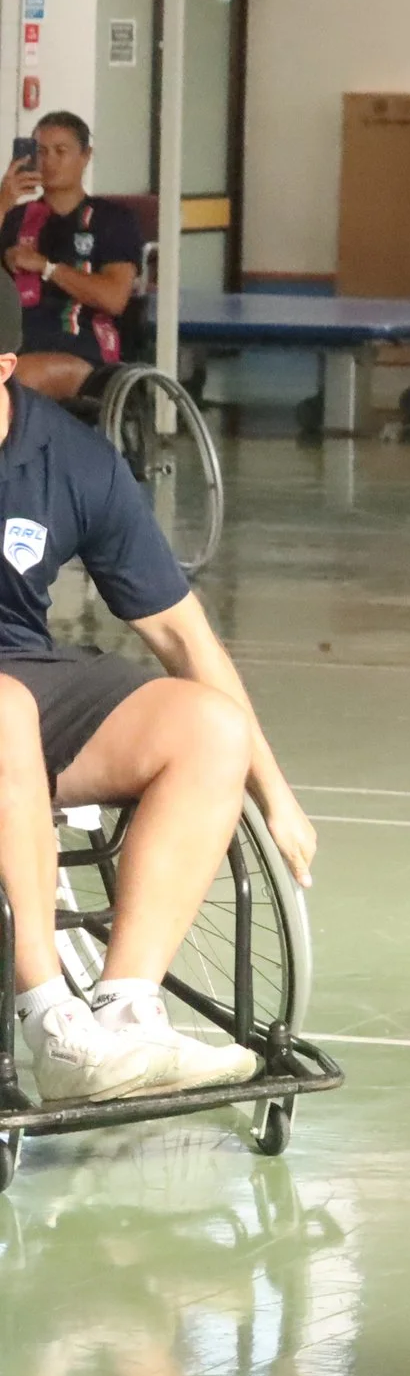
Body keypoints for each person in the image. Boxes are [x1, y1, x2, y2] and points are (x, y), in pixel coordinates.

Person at [0, 284, 317, 1105]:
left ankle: (125, 1009)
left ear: (4, 366)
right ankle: (49, 1021)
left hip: (23, 679)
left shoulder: (67, 460)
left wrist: (274, 792)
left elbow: (182, 635)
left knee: (208, 726)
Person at [0, 112, 145, 404]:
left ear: (85, 156)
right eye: (40, 151)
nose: (48, 161)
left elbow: (114, 298)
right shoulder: (15, 218)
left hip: (82, 348)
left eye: (60, 151)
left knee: (12, 383)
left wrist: (47, 267)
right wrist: (2, 204)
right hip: (16, 344)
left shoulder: (111, 219)